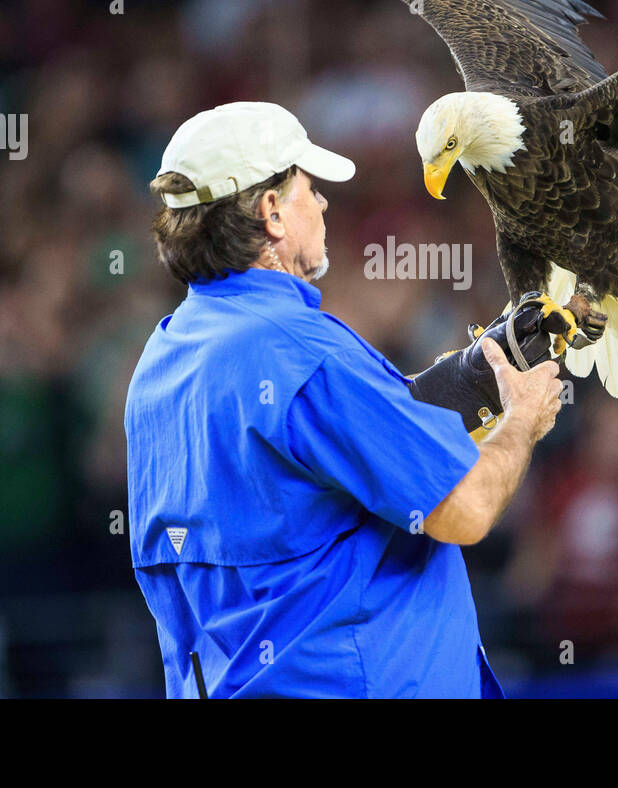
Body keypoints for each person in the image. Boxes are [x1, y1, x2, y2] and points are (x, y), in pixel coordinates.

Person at [124, 102, 564, 698]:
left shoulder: (161, 364)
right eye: (309, 186)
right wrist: (523, 419)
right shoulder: (301, 351)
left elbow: (310, 485)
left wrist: (469, 378)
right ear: (272, 211)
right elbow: (469, 508)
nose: (324, 203)